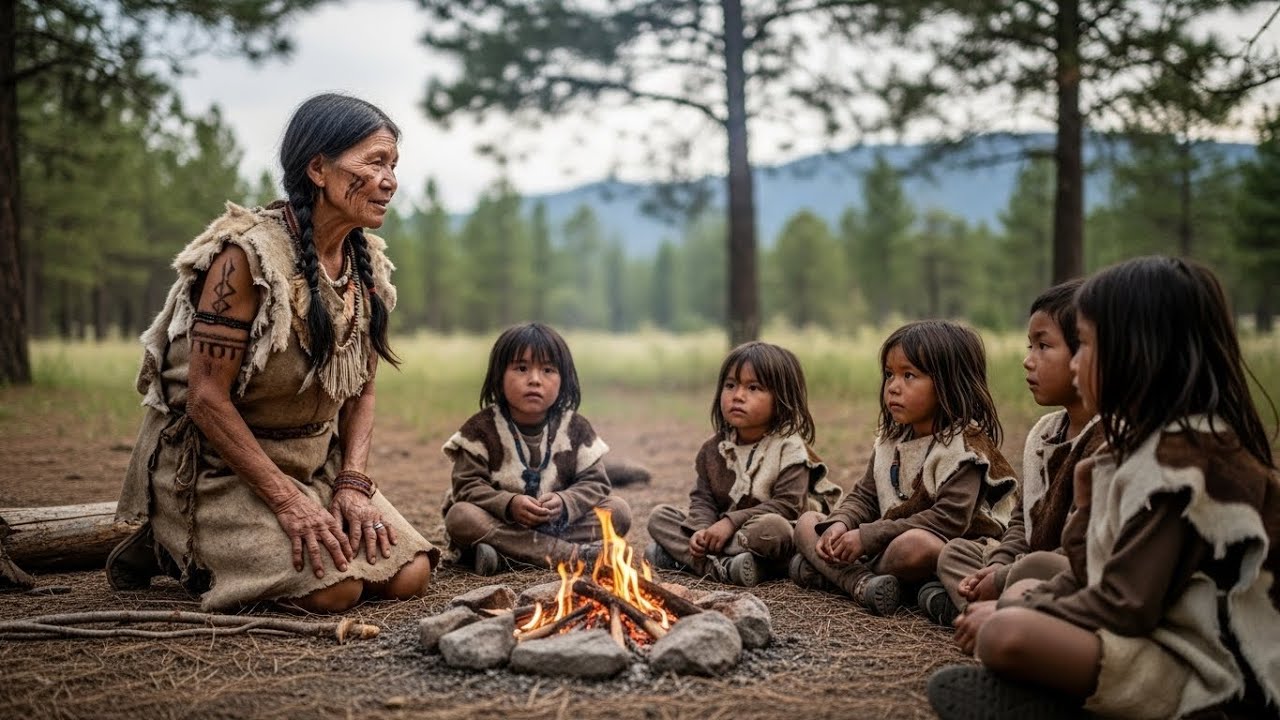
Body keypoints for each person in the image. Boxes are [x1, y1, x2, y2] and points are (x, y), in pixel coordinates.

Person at [106, 93, 437, 612]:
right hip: (220, 471)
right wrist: (286, 502)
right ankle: (172, 543)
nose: (390, 180)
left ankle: (284, 523)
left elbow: (362, 392)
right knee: (335, 590)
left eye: (393, 165)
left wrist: (351, 485)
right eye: (375, 162)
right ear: (318, 169)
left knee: (408, 575)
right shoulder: (246, 257)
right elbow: (206, 399)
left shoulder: (366, 263)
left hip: (314, 466)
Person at [928, 256, 1280, 720]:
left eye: (1086, 345)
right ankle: (1047, 696)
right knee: (1021, 588)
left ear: (1137, 353)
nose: (1076, 364)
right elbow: (1089, 566)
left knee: (1007, 632)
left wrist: (1024, 608)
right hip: (1159, 632)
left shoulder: (1185, 464)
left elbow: (1125, 603)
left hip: (1216, 672)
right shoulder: (1141, 446)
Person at [791, 320, 1017, 616]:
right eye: (889, 375)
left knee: (914, 546)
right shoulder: (891, 440)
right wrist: (842, 524)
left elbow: (948, 520)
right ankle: (862, 583)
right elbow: (865, 497)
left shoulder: (965, 448)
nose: (893, 387)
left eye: (909, 375)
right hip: (883, 544)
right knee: (809, 522)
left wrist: (866, 537)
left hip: (948, 550)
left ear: (949, 383)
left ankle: (834, 574)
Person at [923, 280, 1105, 630]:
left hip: (1066, 569)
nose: (1027, 361)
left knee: (1034, 569)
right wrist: (1000, 563)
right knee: (956, 554)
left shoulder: (1105, 439)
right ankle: (988, 613)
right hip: (1023, 562)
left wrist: (1009, 571)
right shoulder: (1044, 433)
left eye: (1043, 346)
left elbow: (1085, 551)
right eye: (1029, 346)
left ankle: (989, 617)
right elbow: (1023, 517)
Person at [644, 342, 841, 587]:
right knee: (659, 517)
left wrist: (729, 523)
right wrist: (702, 531)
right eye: (730, 385)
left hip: (772, 536)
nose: (738, 395)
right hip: (725, 535)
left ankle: (692, 561)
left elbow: (788, 506)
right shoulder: (713, 449)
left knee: (772, 528)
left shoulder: (789, 448)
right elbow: (703, 499)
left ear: (780, 399)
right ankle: (725, 567)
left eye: (753, 387)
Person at [440, 322, 631, 575]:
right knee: (460, 516)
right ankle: (571, 556)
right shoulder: (480, 430)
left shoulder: (575, 427)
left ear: (564, 380)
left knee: (618, 511)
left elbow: (596, 483)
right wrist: (509, 503)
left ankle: (509, 556)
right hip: (501, 523)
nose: (534, 380)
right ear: (499, 375)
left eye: (548, 370)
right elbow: (466, 487)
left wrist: (565, 501)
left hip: (558, 526)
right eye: (521, 368)